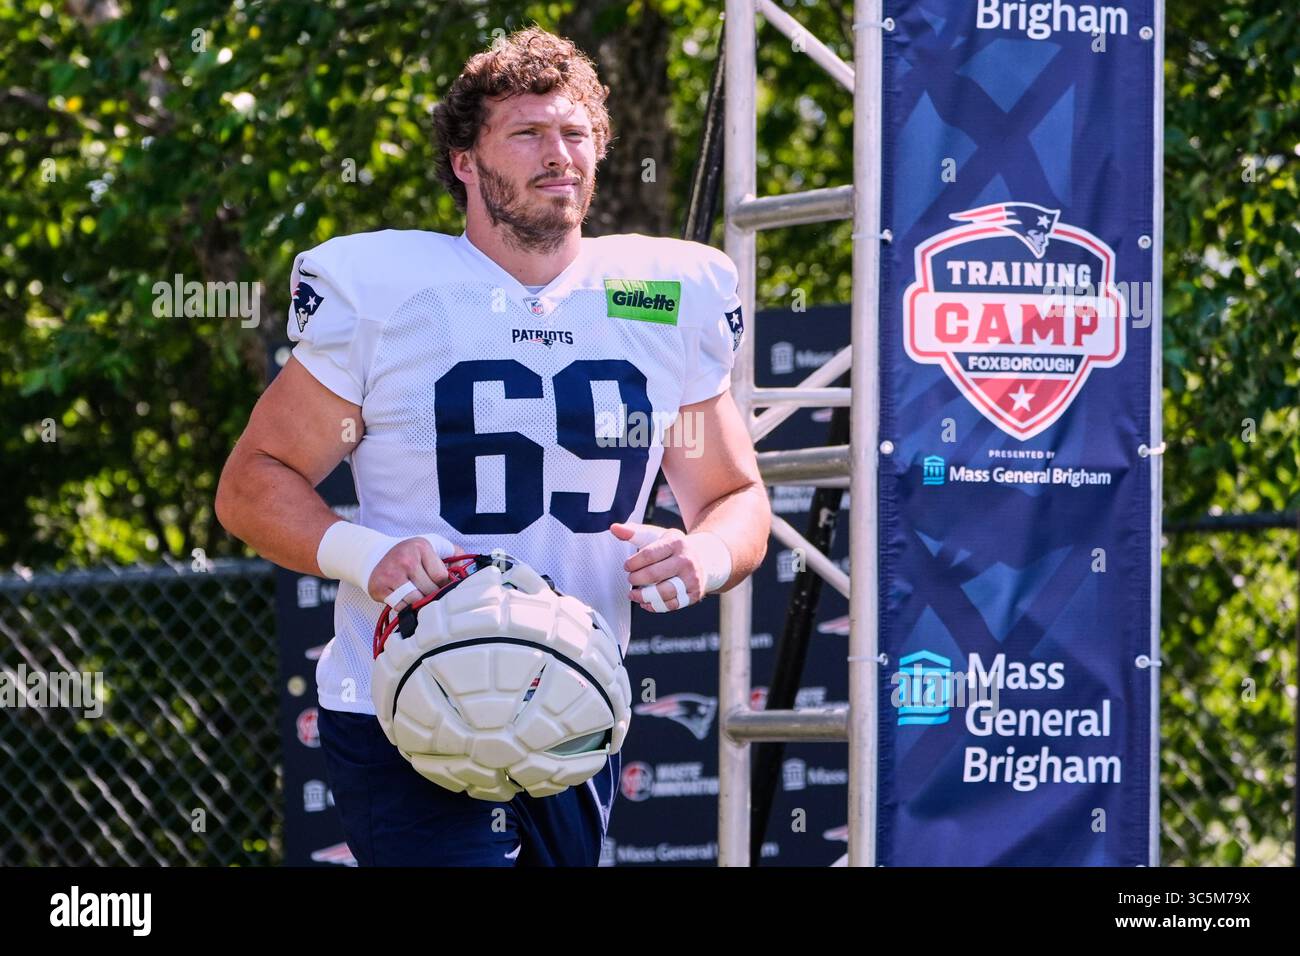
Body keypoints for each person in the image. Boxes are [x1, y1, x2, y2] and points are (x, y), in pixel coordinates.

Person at [215, 25, 770, 866]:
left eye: (576, 133)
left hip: (571, 699)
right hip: (406, 696)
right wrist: (370, 555)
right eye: (528, 134)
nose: (560, 154)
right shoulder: (392, 295)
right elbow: (255, 482)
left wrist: (703, 554)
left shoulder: (662, 296)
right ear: (466, 162)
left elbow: (735, 498)